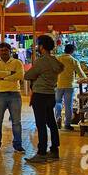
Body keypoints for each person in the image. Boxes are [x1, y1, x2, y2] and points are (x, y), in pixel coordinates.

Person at [24, 34, 64, 163]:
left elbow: (28, 75)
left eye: (38, 45)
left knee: (40, 124)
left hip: (40, 95)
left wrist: (35, 75)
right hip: (50, 94)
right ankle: (54, 150)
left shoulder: (41, 61)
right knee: (51, 122)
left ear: (41, 46)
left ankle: (41, 152)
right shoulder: (55, 61)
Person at [0, 41, 26, 154]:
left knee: (16, 122)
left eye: (6, 50)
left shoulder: (17, 63)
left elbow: (20, 75)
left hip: (14, 94)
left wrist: (3, 77)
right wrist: (10, 73)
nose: (4, 52)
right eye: (2, 50)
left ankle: (18, 144)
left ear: (10, 51)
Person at [54, 41, 87, 129]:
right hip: (69, 85)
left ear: (64, 50)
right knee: (68, 105)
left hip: (59, 84)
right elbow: (81, 75)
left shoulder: (57, 59)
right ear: (72, 51)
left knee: (58, 102)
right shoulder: (74, 61)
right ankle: (67, 124)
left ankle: (58, 118)